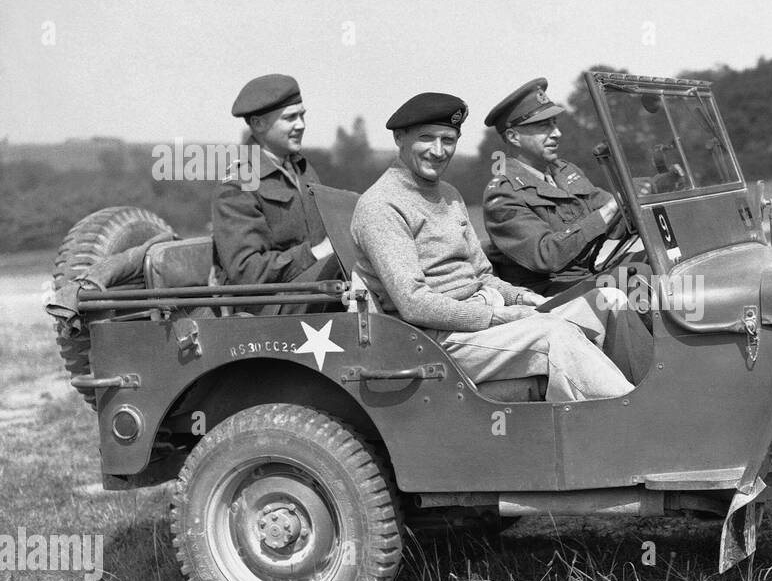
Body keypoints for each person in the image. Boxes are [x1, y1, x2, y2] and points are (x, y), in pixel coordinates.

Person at [351, 91, 637, 402]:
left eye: (448, 140)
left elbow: (484, 276)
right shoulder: (382, 205)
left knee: (607, 300)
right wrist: (499, 316)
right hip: (435, 339)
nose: (438, 150)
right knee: (556, 335)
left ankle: (646, 397)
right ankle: (637, 423)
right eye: (426, 138)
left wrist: (524, 297)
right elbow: (415, 304)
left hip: (481, 318)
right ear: (399, 139)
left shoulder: (449, 195)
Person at [480, 77, 626, 297]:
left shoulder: (565, 172)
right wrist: (605, 213)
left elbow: (615, 220)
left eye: (555, 123)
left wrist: (640, 198)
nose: (557, 133)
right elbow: (545, 255)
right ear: (513, 137)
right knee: (623, 293)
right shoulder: (503, 193)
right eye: (543, 126)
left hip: (588, 278)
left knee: (658, 270)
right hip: (546, 295)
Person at [212, 73, 338, 313]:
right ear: (258, 124)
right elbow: (246, 271)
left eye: (302, 115)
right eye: (290, 118)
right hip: (266, 310)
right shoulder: (238, 184)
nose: (301, 125)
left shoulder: (302, 169)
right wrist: (314, 254)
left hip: (312, 292)